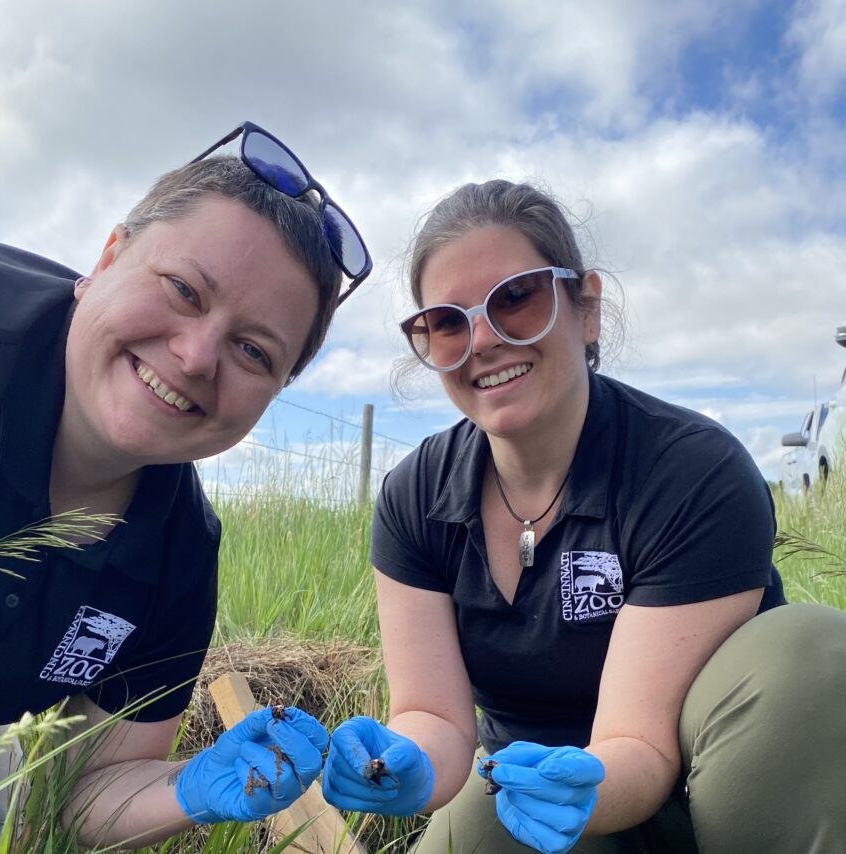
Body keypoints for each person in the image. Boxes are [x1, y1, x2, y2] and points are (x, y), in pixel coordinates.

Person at [0, 120, 372, 851]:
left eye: (253, 349)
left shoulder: (178, 552)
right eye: (183, 290)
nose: (196, 355)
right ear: (106, 258)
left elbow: (85, 798)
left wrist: (197, 784)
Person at [320, 179, 846, 853]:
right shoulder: (414, 499)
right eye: (447, 322)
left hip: (701, 792)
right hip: (535, 810)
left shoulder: (690, 473)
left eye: (517, 298)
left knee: (805, 652)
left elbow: (639, 743)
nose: (481, 340)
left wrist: (585, 789)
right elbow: (434, 717)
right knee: (480, 824)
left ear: (586, 308)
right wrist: (408, 766)